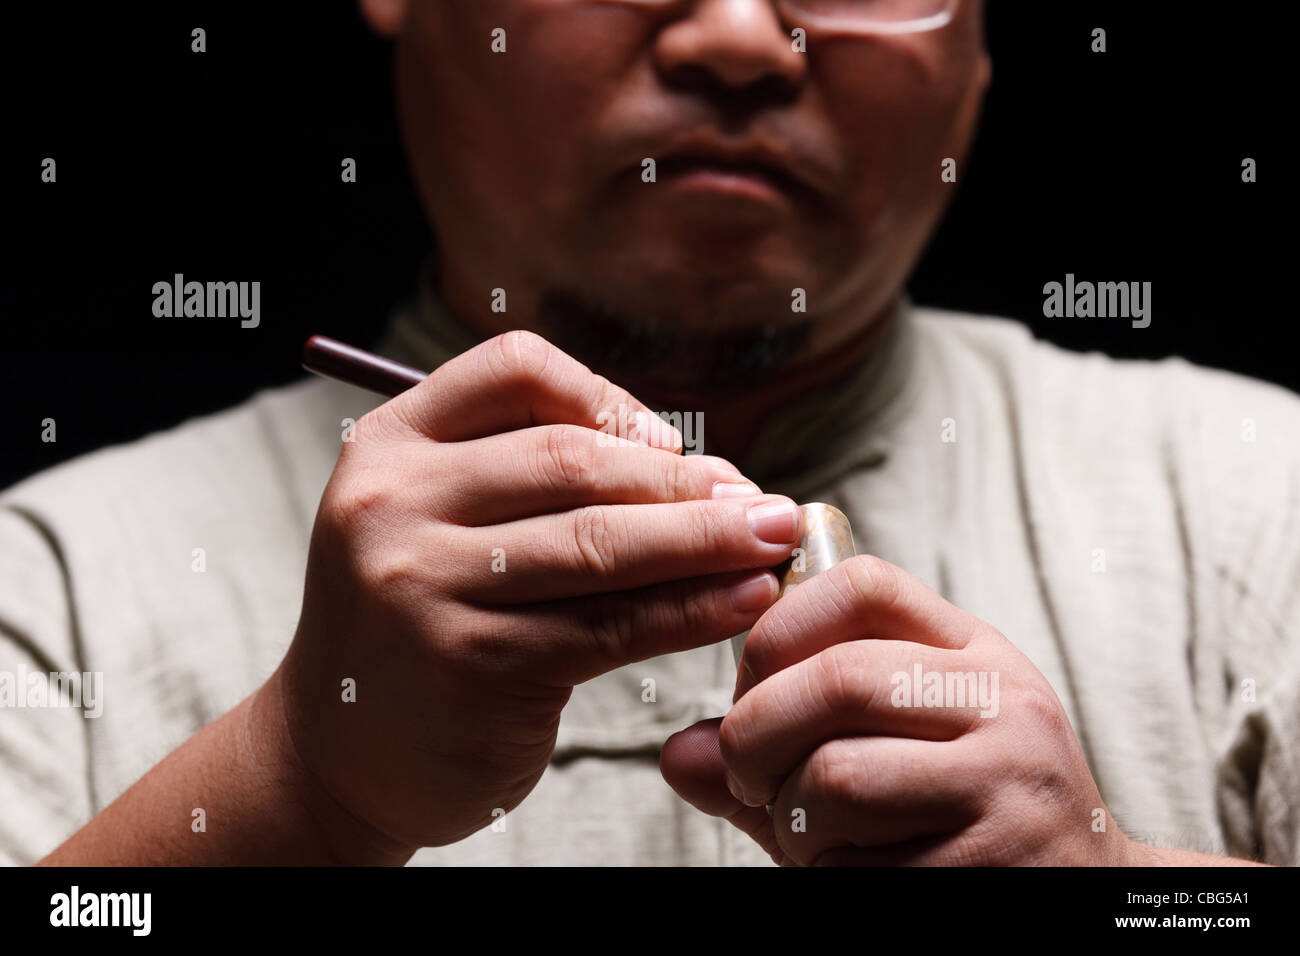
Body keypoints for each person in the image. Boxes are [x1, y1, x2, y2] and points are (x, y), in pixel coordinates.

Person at [3, 0, 1296, 866]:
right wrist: (301, 786)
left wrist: (1116, 876)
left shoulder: (1259, 506)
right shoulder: (53, 588)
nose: (740, 35)